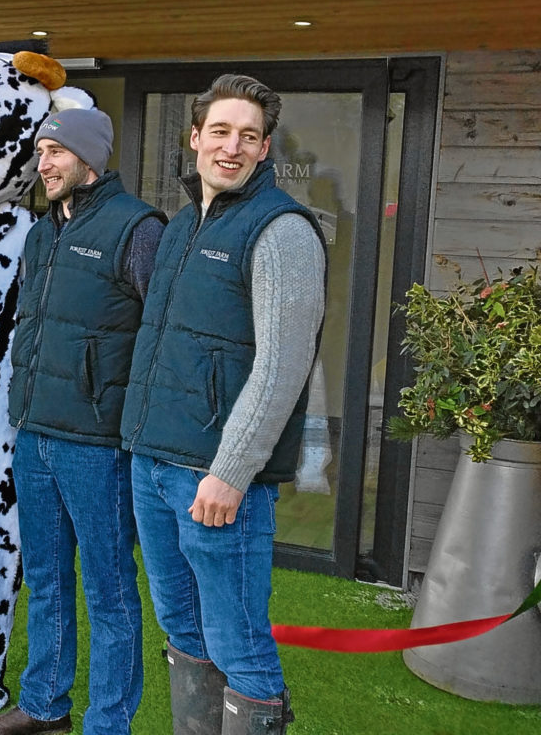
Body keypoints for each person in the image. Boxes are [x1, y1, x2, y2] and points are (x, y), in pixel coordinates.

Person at [120, 75, 325, 735]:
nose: (231, 147)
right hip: (155, 461)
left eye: (248, 136)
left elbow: (282, 365)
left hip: (214, 477)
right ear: (195, 139)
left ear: (265, 149)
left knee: (239, 645)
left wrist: (231, 472)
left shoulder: (282, 230)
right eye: (220, 132)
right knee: (182, 626)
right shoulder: (181, 227)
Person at [0, 108, 164, 735]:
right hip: (34, 435)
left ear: (89, 158)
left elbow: (159, 339)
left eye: (55, 151)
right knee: (49, 581)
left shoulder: (136, 229)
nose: (43, 163)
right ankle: (43, 706)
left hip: (98, 447)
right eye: (40, 151)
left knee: (109, 591)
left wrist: (132, 428)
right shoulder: (39, 233)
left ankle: (108, 723)